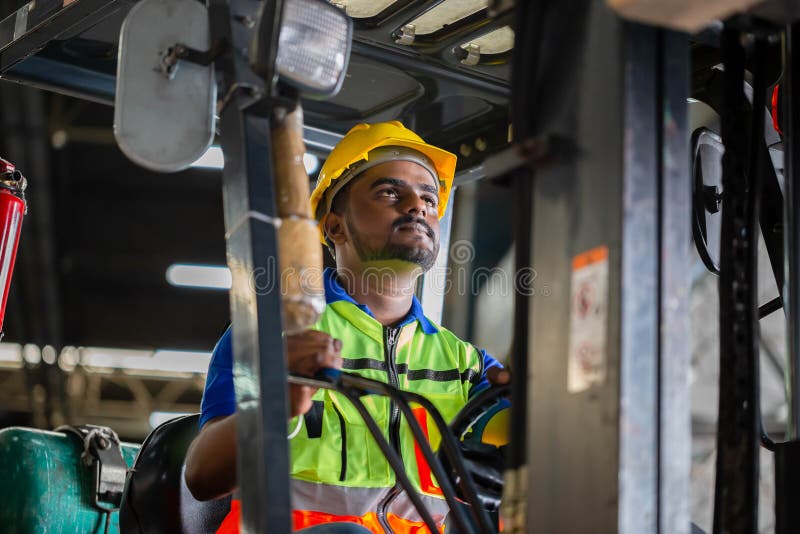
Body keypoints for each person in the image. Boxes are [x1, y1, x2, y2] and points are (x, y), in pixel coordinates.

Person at [184, 121, 509, 533]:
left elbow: (515, 441)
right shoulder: (275, 337)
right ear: (335, 226)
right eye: (390, 193)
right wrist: (277, 402)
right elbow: (200, 477)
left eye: (429, 197)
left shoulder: (465, 365)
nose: (417, 206)